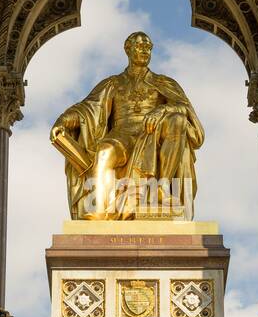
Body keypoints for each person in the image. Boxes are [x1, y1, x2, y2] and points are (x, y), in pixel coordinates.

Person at [51, 32, 203, 219]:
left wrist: (161, 110)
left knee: (178, 120)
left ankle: (162, 187)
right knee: (104, 152)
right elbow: (87, 109)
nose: (145, 51)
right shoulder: (113, 83)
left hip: (151, 134)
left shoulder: (163, 82)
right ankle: (99, 211)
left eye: (148, 47)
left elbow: (184, 108)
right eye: (140, 46)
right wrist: (62, 121)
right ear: (128, 49)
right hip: (121, 135)